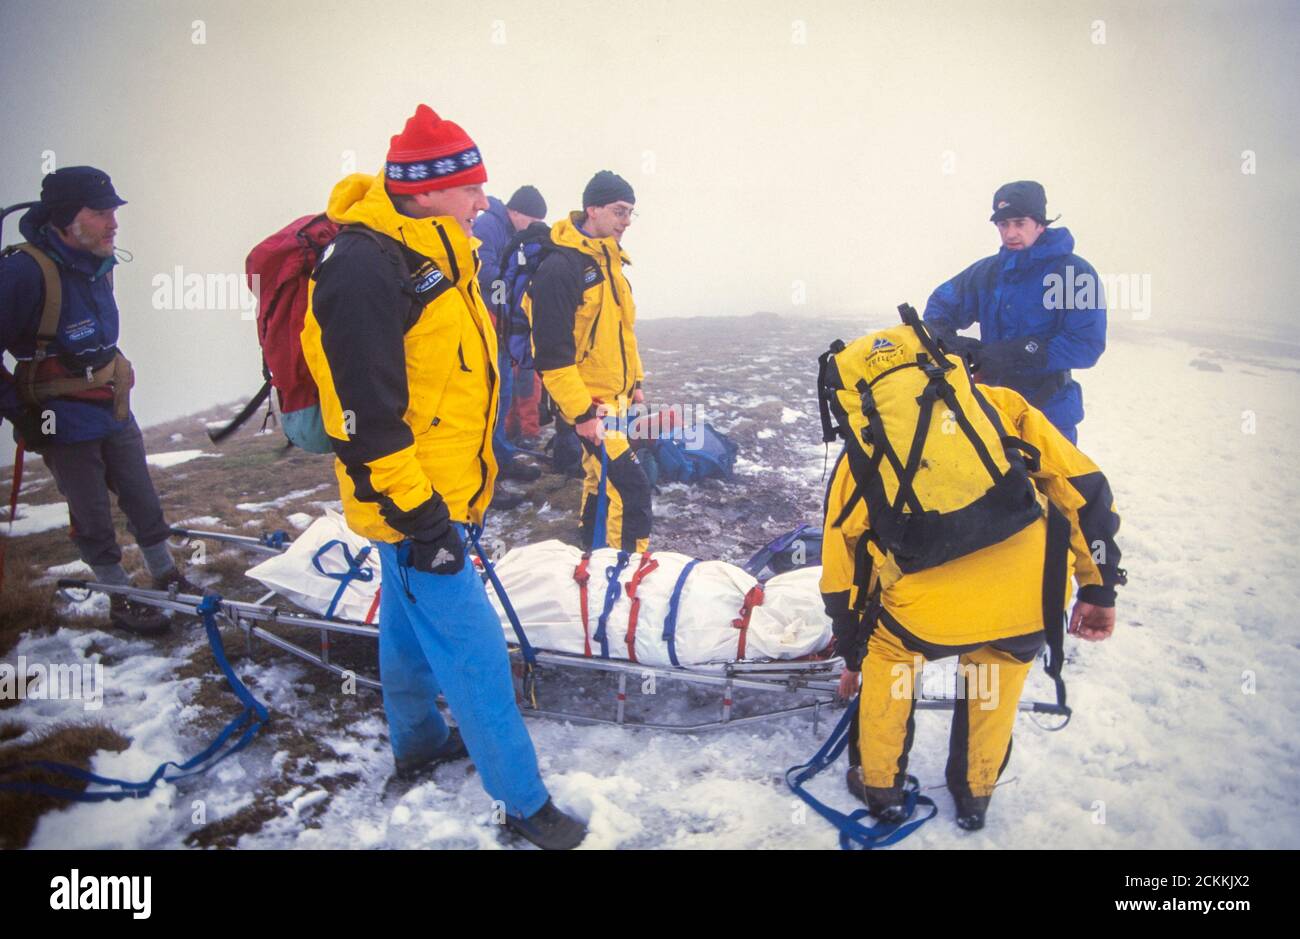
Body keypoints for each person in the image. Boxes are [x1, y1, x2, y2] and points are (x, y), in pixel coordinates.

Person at [299, 105, 585, 849]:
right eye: (471, 187)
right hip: (413, 499)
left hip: (441, 492)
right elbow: (367, 415)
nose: (483, 201)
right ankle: (525, 804)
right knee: (475, 651)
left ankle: (419, 742)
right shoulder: (365, 267)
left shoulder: (432, 249)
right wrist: (425, 519)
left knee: (403, 625)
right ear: (425, 190)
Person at [820, 320, 1125, 831]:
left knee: (891, 664)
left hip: (925, 613)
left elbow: (842, 554)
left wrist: (853, 649)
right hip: (1026, 601)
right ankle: (974, 792)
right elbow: (1084, 489)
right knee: (993, 674)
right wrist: (1098, 586)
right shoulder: (1005, 408)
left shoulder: (868, 444)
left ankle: (882, 790)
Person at [0, 166, 191, 635]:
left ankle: (166, 576)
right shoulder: (22, 273)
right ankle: (122, 600)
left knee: (142, 498)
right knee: (91, 516)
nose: (113, 222)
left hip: (112, 403)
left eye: (113, 212)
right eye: (101, 212)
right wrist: (20, 414)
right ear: (67, 218)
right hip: (60, 417)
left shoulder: (97, 261)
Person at [923, 181, 1106, 443]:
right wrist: (952, 344)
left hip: (1050, 414)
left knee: (1055, 485)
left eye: (1019, 223)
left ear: (1040, 224)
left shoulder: (1074, 275)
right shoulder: (988, 273)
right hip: (991, 408)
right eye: (1003, 225)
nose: (1010, 233)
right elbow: (940, 305)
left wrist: (1017, 353)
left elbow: (1086, 345)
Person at [526, 171, 651, 552]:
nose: (626, 221)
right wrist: (582, 415)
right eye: (619, 211)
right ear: (592, 209)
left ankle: (594, 558)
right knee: (632, 490)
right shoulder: (561, 268)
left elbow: (622, 331)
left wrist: (637, 384)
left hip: (616, 400)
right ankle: (624, 573)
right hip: (592, 406)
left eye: (631, 213)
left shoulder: (612, 263)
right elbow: (551, 354)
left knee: (601, 480)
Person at [473, 186, 547, 493]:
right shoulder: (488, 225)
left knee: (502, 390)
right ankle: (486, 471)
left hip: (501, 321)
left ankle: (500, 457)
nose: (533, 227)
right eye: (531, 221)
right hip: (486, 318)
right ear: (515, 212)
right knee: (491, 393)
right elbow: (484, 272)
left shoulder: (510, 230)